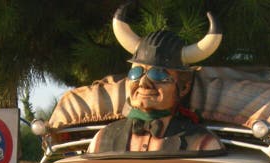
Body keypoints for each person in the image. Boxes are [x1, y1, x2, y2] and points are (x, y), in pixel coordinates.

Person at [87, 5, 224, 154]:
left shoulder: (201, 144)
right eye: (136, 73)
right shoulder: (101, 141)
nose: (143, 83)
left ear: (184, 87)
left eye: (158, 75)